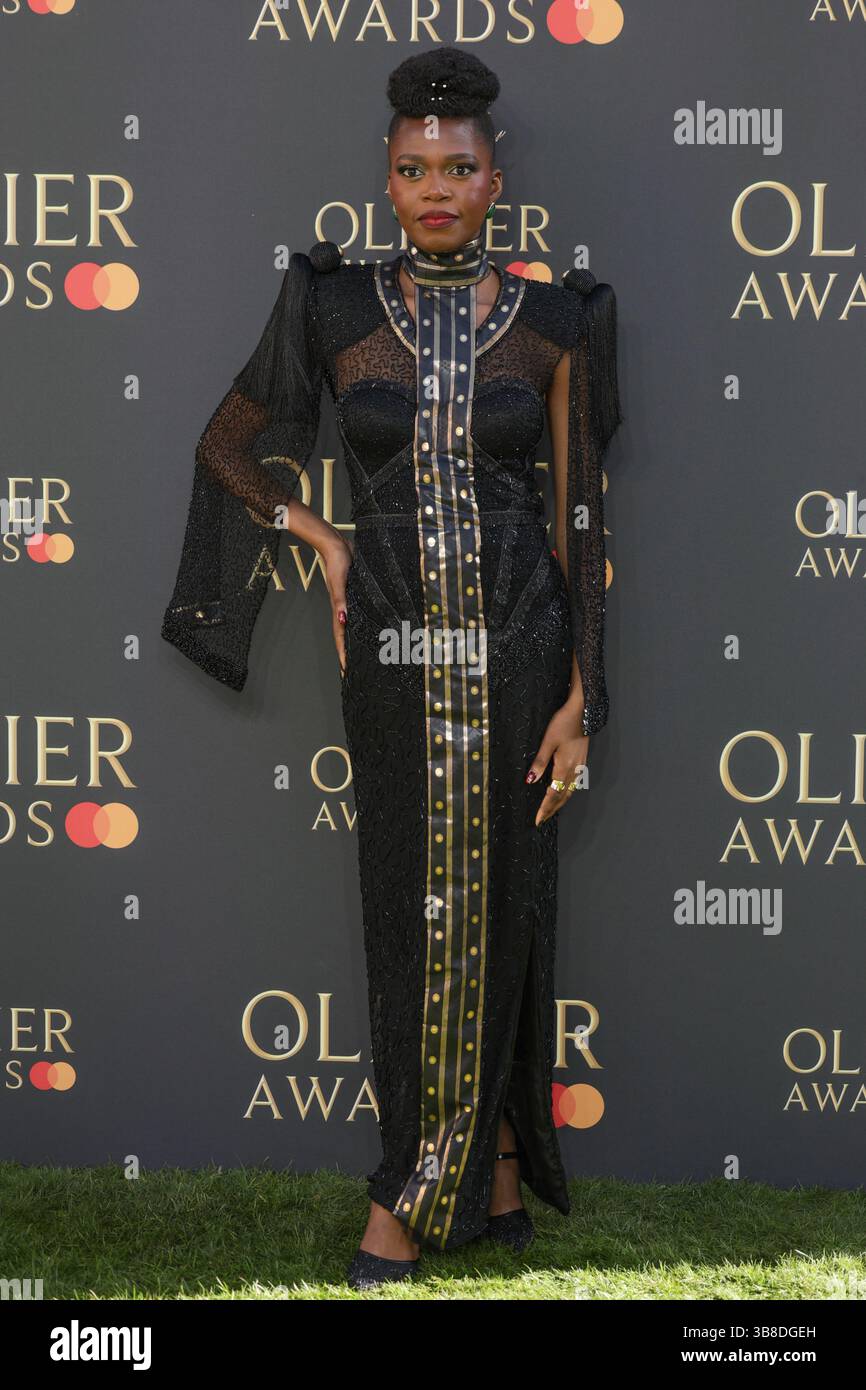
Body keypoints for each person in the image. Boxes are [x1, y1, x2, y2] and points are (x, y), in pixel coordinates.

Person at [161, 45, 622, 1292]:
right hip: (395, 653)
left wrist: (585, 693)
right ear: (385, 175)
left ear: (492, 179)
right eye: (411, 168)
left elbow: (579, 516)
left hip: (523, 643)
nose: (433, 188)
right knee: (417, 913)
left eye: (456, 169)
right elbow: (228, 444)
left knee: (508, 897)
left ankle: (462, 1180)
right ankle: (457, 1171)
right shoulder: (329, 305)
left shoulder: (560, 319)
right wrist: (314, 537)